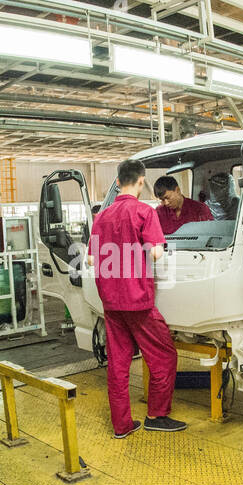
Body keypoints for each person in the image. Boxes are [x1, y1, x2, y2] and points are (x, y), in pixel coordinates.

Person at [90, 159, 185, 438]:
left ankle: (122, 425)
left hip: (110, 303)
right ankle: (157, 414)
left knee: (118, 364)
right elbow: (156, 253)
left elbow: (93, 257)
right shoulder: (145, 212)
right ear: (141, 181)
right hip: (138, 302)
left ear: (118, 182)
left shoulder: (101, 217)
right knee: (164, 355)